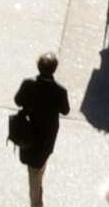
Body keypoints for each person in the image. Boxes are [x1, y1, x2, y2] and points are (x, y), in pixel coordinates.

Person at [10, 53, 69, 207]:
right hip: (46, 137)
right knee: (37, 169)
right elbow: (65, 110)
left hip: (29, 133)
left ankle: (36, 203)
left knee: (34, 172)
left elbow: (17, 100)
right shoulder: (59, 91)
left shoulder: (28, 84)